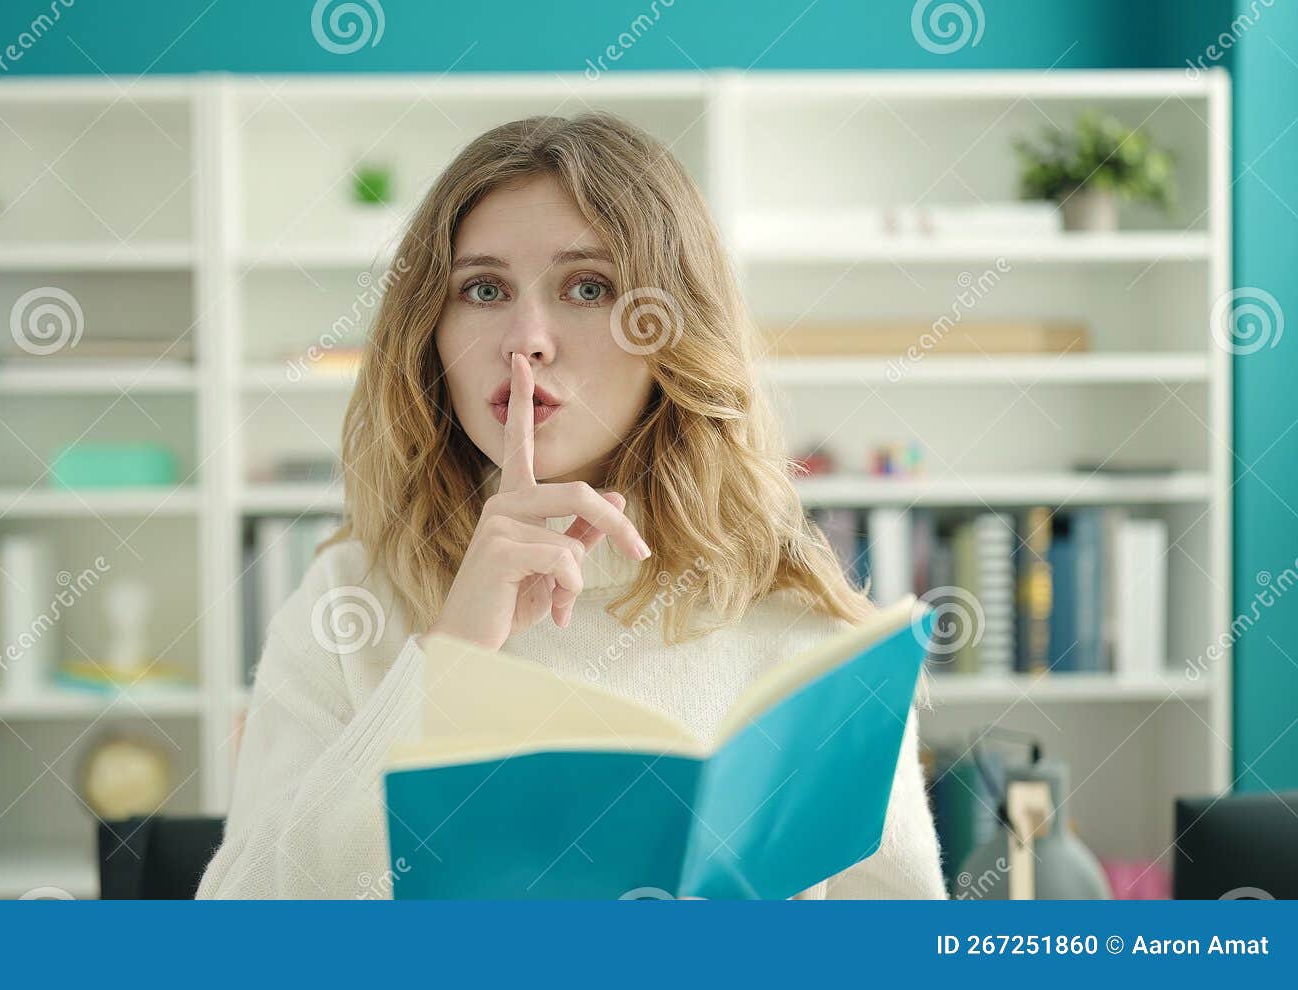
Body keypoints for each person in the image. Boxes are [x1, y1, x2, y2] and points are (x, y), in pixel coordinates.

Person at [196, 111, 945, 899]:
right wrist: (449, 661)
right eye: (483, 289)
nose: (527, 339)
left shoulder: (808, 632)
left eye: (588, 288)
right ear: (430, 332)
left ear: (670, 331)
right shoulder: (345, 600)